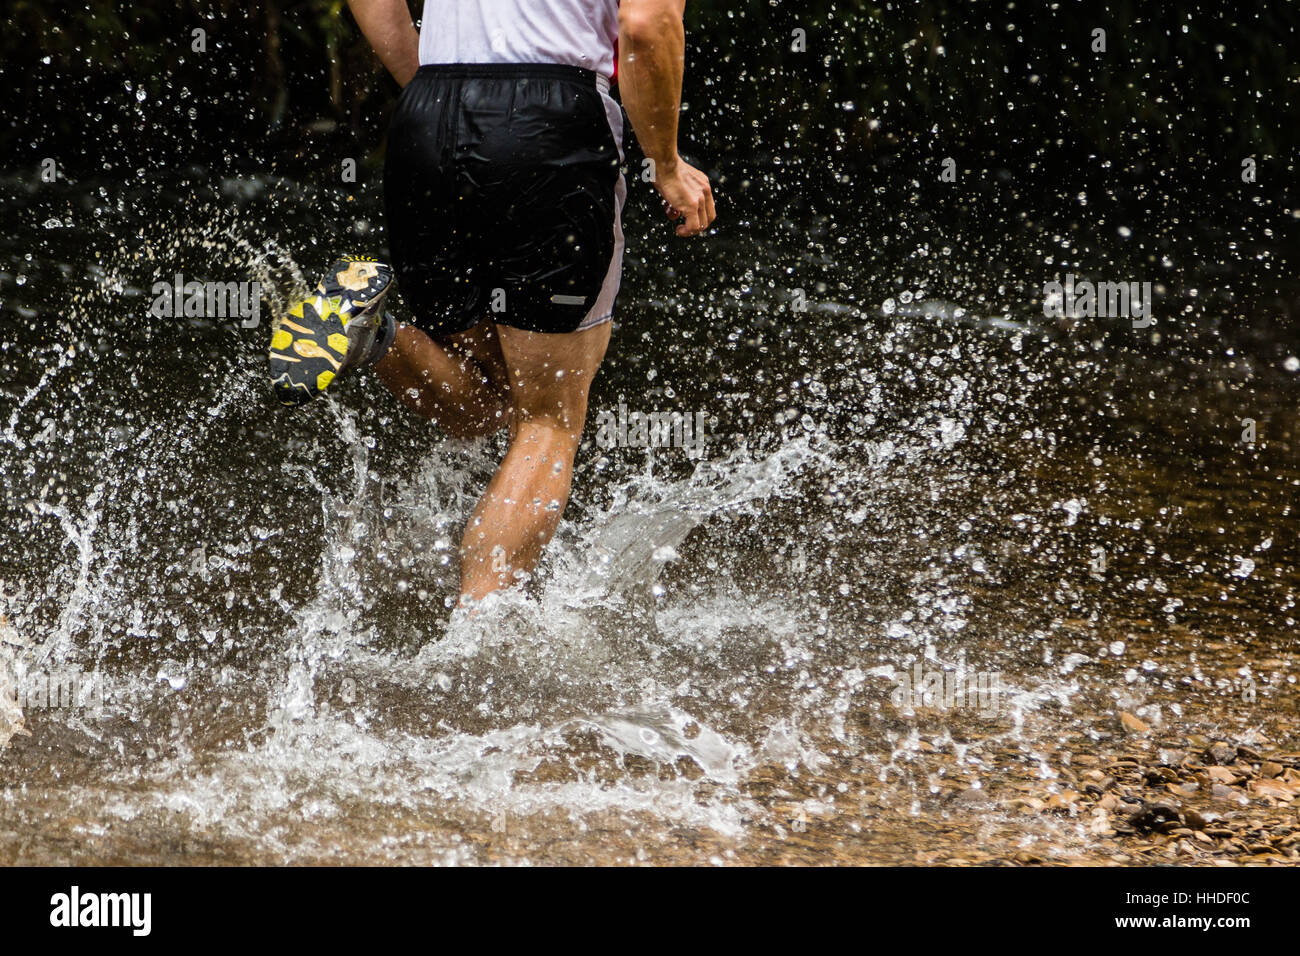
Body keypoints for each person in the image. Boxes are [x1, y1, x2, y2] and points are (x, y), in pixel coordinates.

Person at [269, 0, 715, 607]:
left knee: (486, 409)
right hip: (550, 121)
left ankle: (370, 335)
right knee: (550, 420)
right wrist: (665, 162)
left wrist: (437, 91)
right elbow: (645, 24)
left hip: (429, 115)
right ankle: (481, 635)